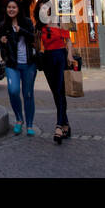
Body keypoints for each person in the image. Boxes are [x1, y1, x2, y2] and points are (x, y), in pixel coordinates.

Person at [0, 0, 39, 136]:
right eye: (9, 7)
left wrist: (21, 30)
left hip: (28, 63)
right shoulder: (4, 25)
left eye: (14, 7)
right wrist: (3, 43)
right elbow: (1, 44)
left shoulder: (26, 22)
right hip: (12, 64)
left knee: (28, 94)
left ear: (19, 9)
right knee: (13, 91)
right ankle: (19, 119)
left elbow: (33, 38)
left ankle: (30, 124)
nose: (11, 10)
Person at [38, 13, 78, 144]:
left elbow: (68, 41)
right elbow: (37, 44)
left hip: (60, 57)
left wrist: (70, 56)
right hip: (47, 59)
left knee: (60, 91)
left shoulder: (59, 22)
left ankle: (59, 126)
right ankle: (66, 124)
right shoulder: (40, 26)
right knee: (56, 92)